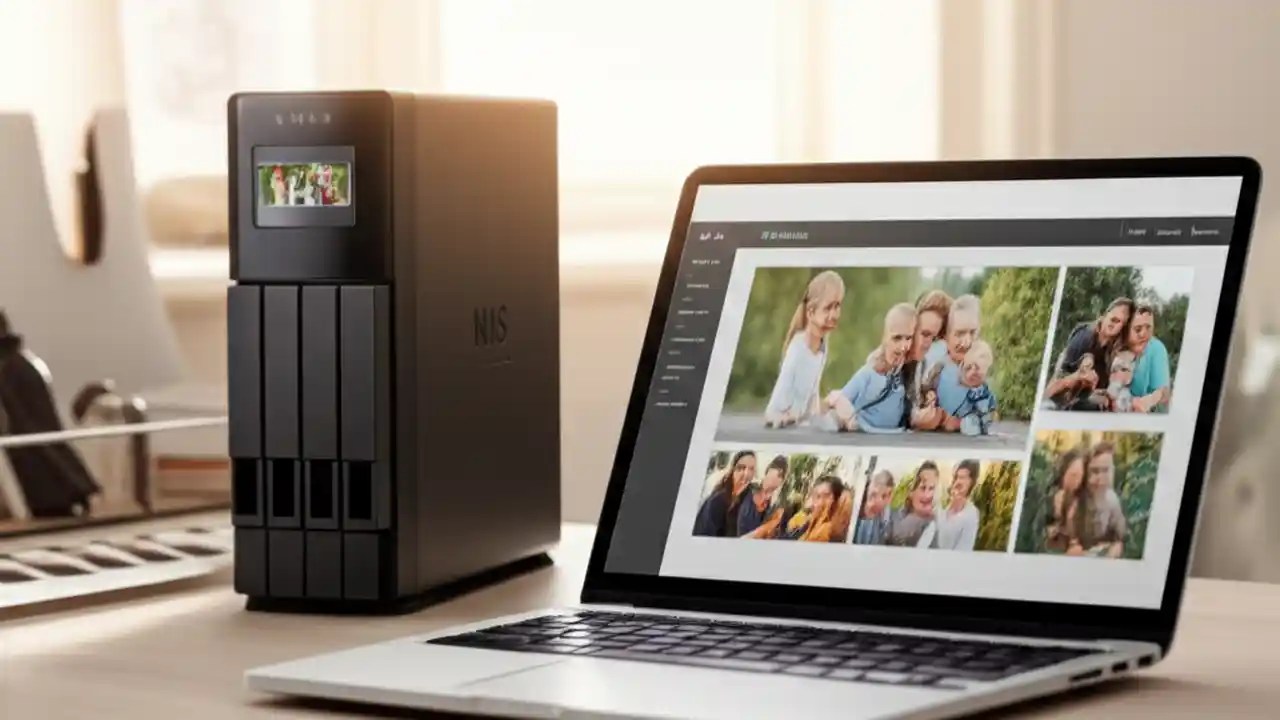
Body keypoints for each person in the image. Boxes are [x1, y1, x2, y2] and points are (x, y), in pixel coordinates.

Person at [764, 271, 845, 428]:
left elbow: (813, 391)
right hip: (786, 423)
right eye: (828, 308)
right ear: (811, 312)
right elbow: (779, 395)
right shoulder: (798, 348)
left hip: (804, 421)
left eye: (837, 306)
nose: (834, 314)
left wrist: (823, 409)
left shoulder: (823, 346)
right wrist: (777, 416)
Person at [826, 303, 915, 433]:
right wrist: (841, 407)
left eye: (908, 338)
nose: (903, 346)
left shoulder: (905, 375)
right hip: (866, 438)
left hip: (896, 440)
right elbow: (841, 400)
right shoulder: (868, 374)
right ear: (885, 337)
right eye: (897, 338)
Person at [1045, 297, 1135, 410]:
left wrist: (1100, 394)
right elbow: (1053, 388)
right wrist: (1079, 376)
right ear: (1105, 314)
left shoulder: (1111, 352)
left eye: (1120, 321)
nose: (1114, 322)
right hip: (1058, 404)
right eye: (1113, 317)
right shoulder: (1084, 337)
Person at [922, 294, 981, 432]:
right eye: (959, 334)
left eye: (972, 333)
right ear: (945, 337)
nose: (967, 341)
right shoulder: (938, 366)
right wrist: (928, 398)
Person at [906, 290, 952, 430]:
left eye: (934, 338)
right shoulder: (893, 358)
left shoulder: (925, 365)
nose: (927, 344)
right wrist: (913, 419)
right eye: (925, 334)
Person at [692, 450, 756, 537]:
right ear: (733, 470)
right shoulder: (717, 500)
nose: (746, 474)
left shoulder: (750, 497)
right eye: (741, 468)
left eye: (751, 469)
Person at [1083, 442, 1126, 558]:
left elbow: (1120, 536)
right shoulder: (1077, 498)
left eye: (1106, 470)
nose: (1101, 478)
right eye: (1095, 471)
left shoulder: (1112, 499)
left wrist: (1117, 546)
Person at [1127, 304, 1172, 413]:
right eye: (1138, 329)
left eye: (1148, 328)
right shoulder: (1119, 348)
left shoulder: (1157, 348)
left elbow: (1164, 392)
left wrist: (1150, 400)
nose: (1143, 334)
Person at [947, 340, 997, 435]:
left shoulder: (986, 390)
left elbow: (991, 405)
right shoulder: (957, 387)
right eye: (968, 368)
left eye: (977, 368)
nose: (972, 372)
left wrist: (992, 412)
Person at [1044, 447, 1087, 554]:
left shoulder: (1082, 501)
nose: (1075, 480)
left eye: (1079, 476)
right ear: (1064, 470)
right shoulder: (1048, 496)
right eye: (1072, 474)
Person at [886, 461, 938, 547]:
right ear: (911, 492)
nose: (927, 495)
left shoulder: (935, 525)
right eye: (923, 488)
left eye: (931, 488)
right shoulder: (893, 517)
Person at [782, 476, 846, 542]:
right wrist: (805, 511)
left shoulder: (828, 528)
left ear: (837, 499)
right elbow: (790, 527)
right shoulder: (810, 520)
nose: (820, 502)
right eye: (817, 496)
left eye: (827, 496)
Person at [934, 460, 981, 551]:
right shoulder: (944, 507)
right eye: (957, 477)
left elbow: (964, 549)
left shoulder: (971, 513)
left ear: (972, 482)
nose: (958, 481)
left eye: (963, 478)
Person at [738, 455, 788, 538]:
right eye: (769, 479)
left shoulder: (777, 508)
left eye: (772, 490)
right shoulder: (748, 489)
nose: (767, 495)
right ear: (767, 472)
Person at [852, 469, 895, 545]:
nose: (880, 501)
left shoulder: (886, 518)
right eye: (873, 495)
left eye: (886, 496)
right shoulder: (855, 511)